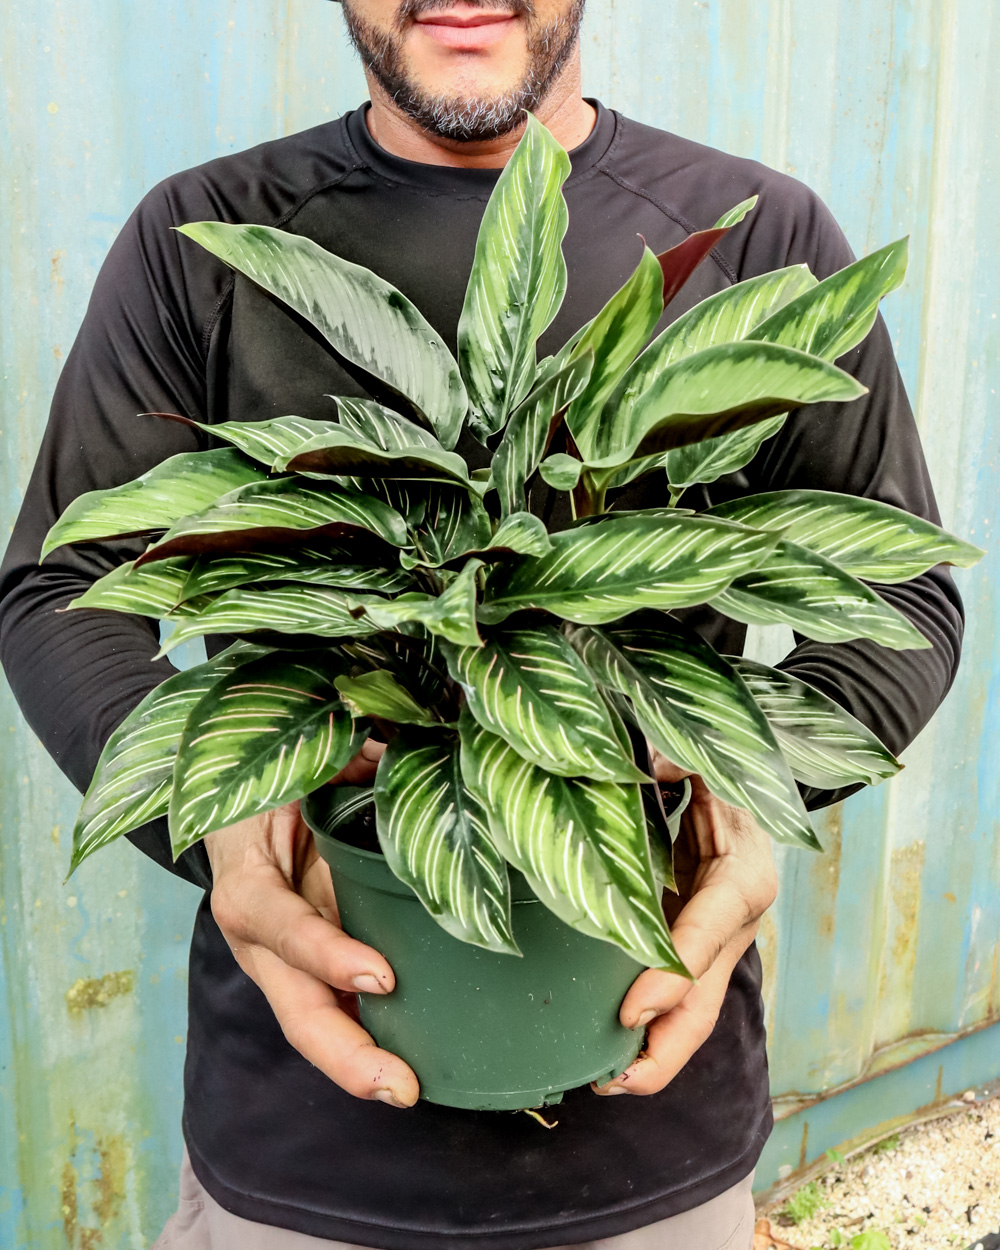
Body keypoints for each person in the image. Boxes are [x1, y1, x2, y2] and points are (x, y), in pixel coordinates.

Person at [0, 2, 964, 1248]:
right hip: (298, 1148)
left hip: (654, 1116)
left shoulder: (755, 238)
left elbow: (899, 591)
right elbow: (60, 584)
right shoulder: (208, 244)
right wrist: (224, 829)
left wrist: (753, 780)